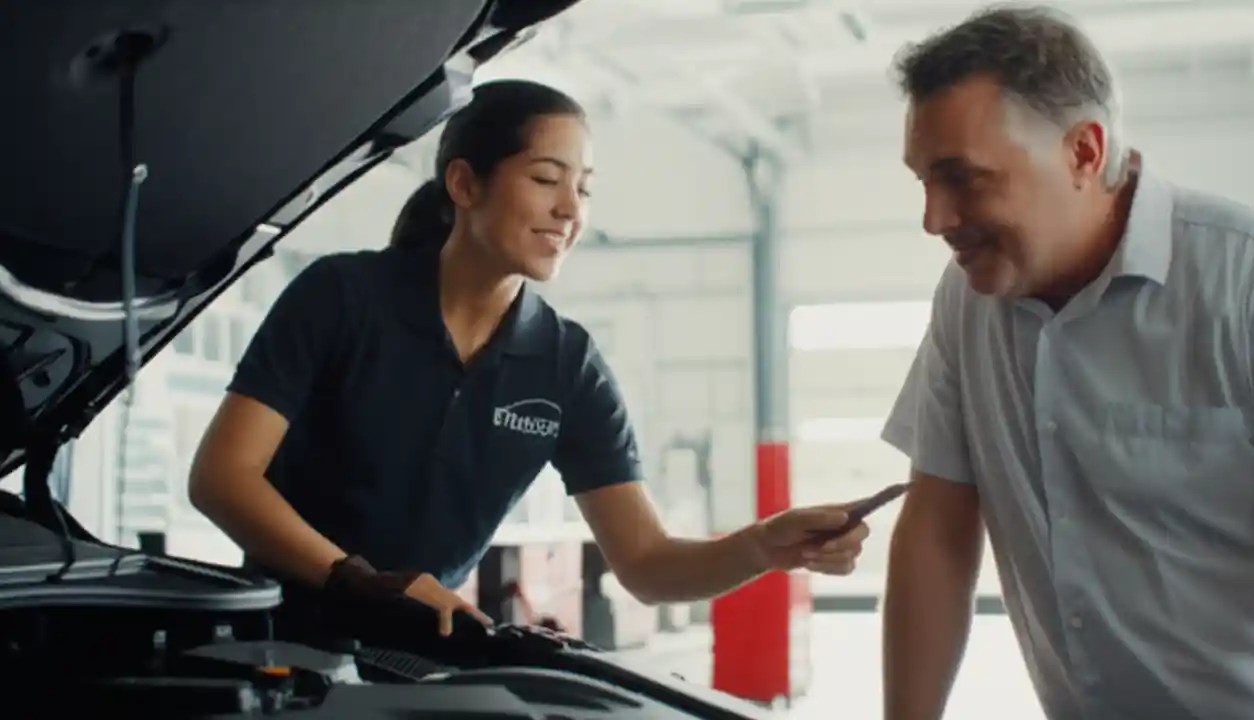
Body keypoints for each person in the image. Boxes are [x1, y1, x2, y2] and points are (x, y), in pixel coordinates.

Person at [189, 79, 870, 638]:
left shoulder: (565, 365)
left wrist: (762, 547)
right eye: (547, 178)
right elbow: (223, 477)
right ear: (464, 184)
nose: (571, 209)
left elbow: (646, 564)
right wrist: (367, 585)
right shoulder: (341, 297)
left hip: (417, 655)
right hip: (272, 643)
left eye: (585, 188)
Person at [879, 5, 1254, 720]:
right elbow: (939, 526)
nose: (933, 219)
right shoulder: (967, 303)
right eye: (921, 183)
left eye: (963, 178)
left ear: (1083, 153)